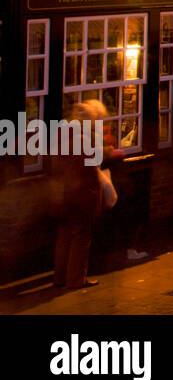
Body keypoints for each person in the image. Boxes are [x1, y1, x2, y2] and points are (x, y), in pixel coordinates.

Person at [51, 101, 111, 290]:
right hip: (82, 193)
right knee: (81, 236)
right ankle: (76, 279)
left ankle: (59, 278)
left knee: (64, 235)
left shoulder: (62, 133)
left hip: (63, 191)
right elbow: (91, 167)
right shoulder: (86, 138)